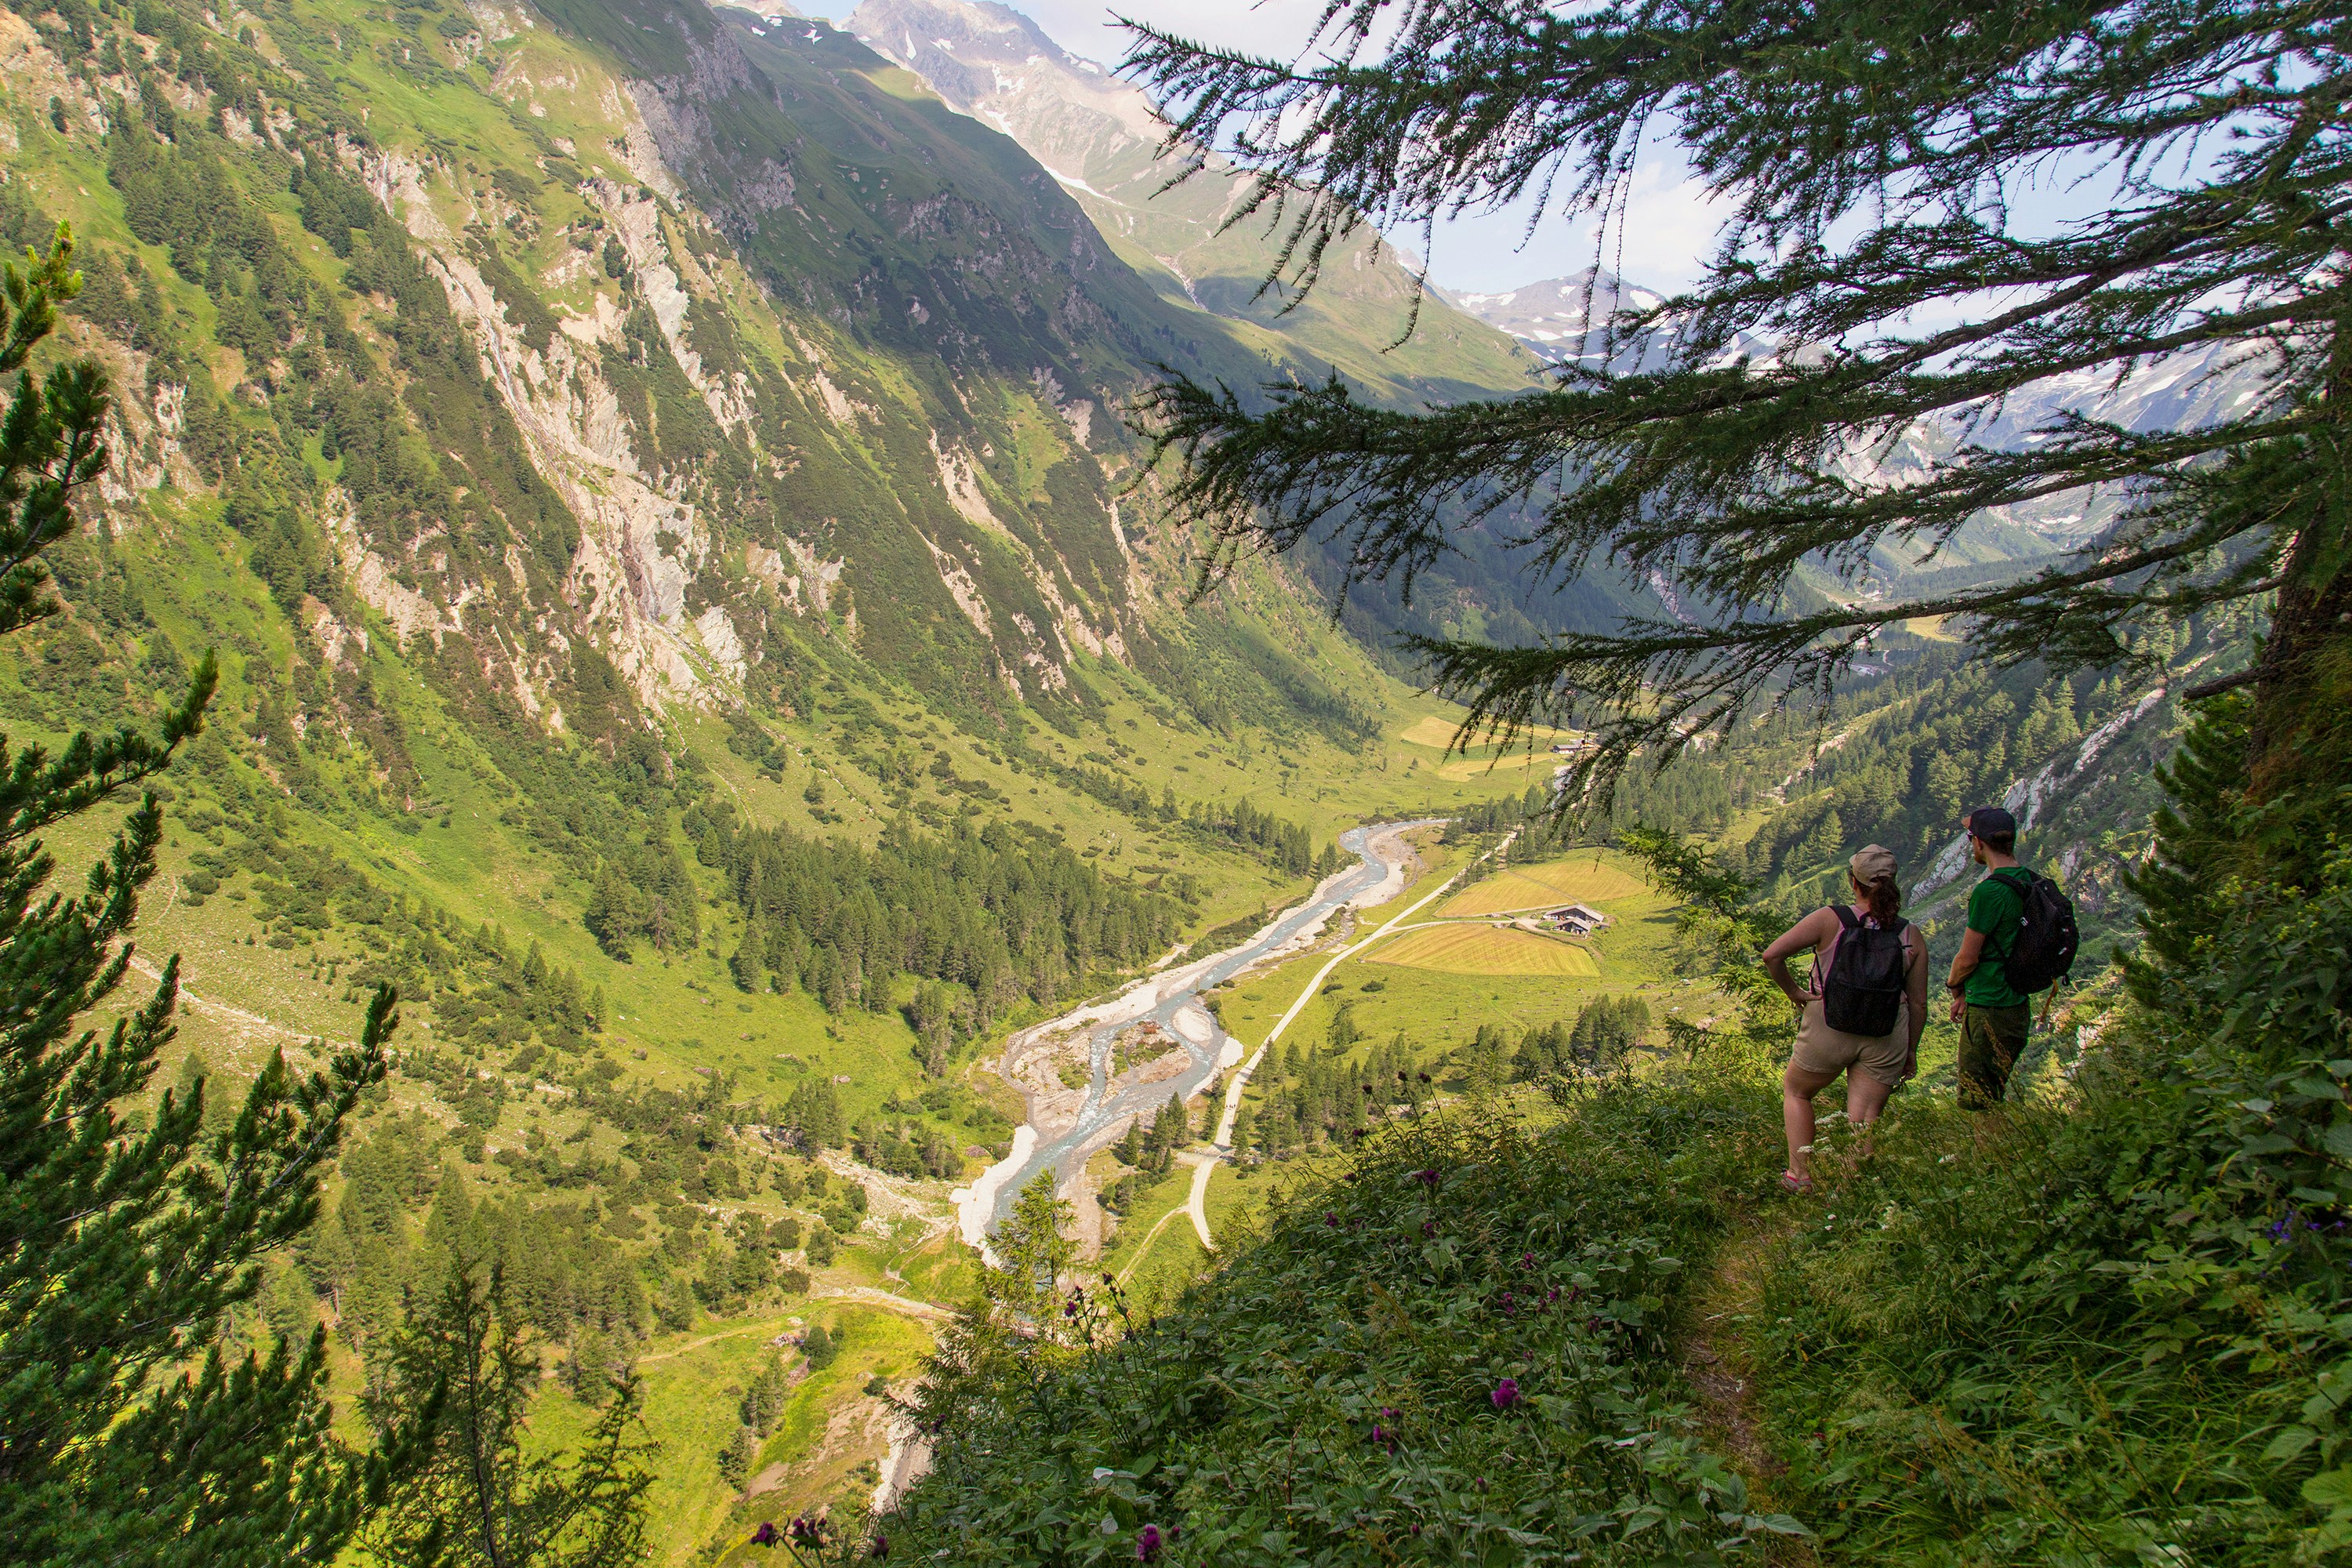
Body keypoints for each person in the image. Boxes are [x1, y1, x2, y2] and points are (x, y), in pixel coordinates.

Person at [1762, 845, 1929, 1192]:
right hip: (1885, 1033)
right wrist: (1910, 1050)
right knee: (1864, 1120)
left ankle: (1800, 1176)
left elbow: (1772, 955)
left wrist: (1795, 993)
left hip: (1829, 1023)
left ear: (1853, 882)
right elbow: (1918, 1004)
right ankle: (1848, 1193)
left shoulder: (1830, 919)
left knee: (1797, 1092)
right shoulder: (1911, 936)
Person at [1946, 805, 2031, 1109]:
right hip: (2017, 1006)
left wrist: (1954, 985)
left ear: (1979, 843)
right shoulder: (2028, 881)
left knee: (1978, 1100)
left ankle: (1993, 1156)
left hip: (1989, 1009)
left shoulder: (1990, 892)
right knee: (1994, 1091)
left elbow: (1967, 958)